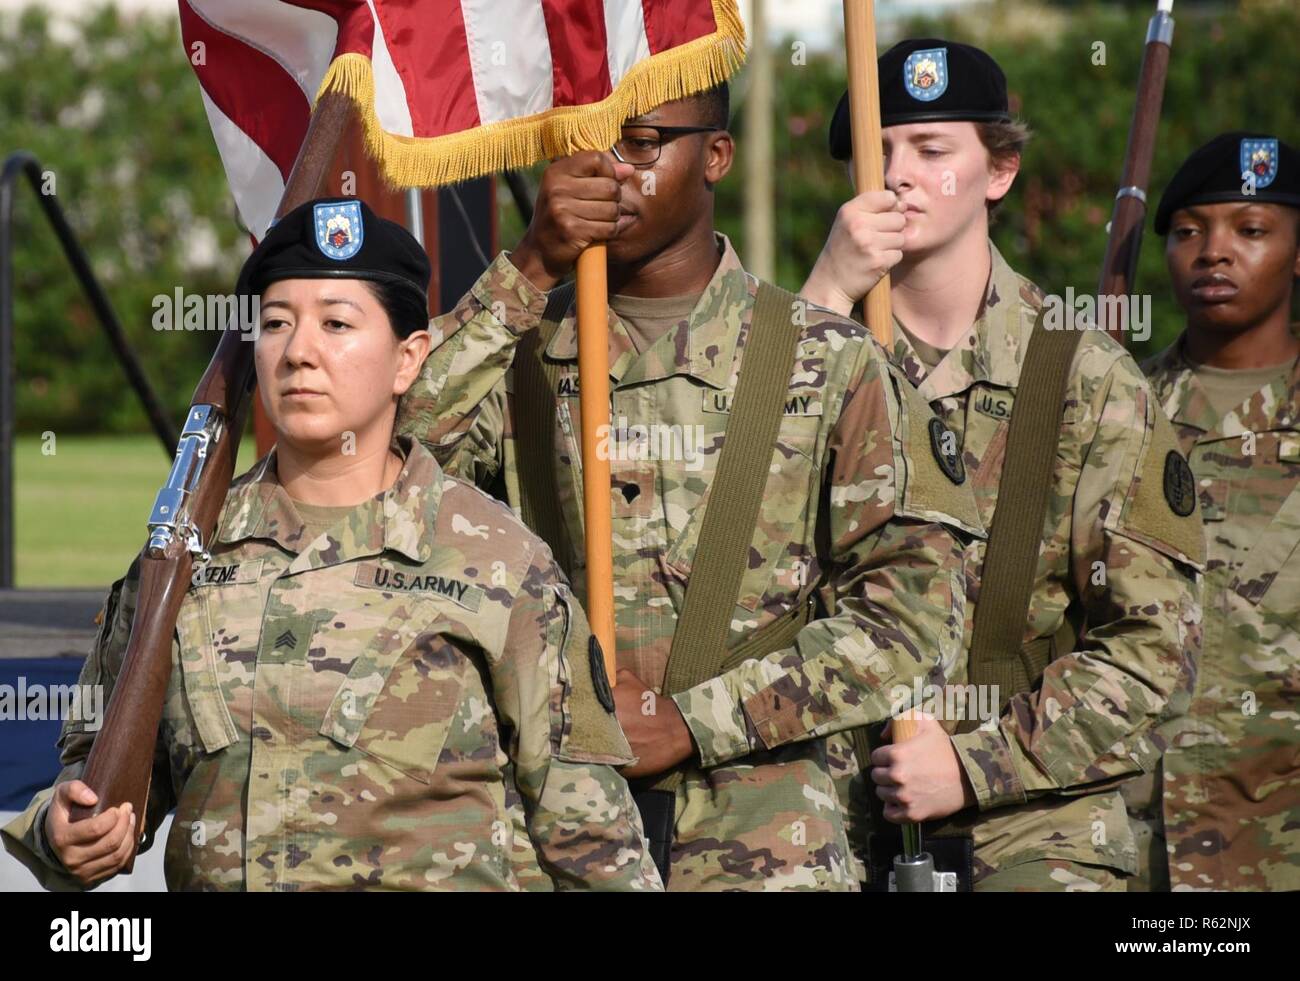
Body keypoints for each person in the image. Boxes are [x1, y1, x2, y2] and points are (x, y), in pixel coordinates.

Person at [395, 83, 985, 890]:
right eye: (586, 142)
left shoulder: (825, 360)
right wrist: (529, 265)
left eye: (639, 142)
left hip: (763, 836)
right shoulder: (520, 353)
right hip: (551, 834)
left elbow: (918, 617)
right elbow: (385, 464)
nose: (606, 168)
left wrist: (695, 720)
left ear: (715, 156)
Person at [0, 198, 660, 892]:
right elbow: (94, 776)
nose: (299, 351)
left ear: (409, 359)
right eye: (276, 324)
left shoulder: (499, 565)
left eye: (337, 323)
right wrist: (63, 829)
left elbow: (594, 848)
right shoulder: (183, 557)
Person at [803, 38, 1204, 891]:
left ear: (1001, 171)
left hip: (1035, 811)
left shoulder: (1083, 378)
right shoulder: (810, 348)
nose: (899, 174)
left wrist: (978, 759)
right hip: (825, 800)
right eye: (879, 153)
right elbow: (719, 544)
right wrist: (823, 303)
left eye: (933, 150)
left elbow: (1154, 647)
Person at [1124, 133, 1300, 891]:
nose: (1213, 253)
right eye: (1189, 231)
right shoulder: (1117, 414)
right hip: (1137, 847)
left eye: (1250, 230)